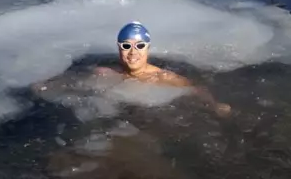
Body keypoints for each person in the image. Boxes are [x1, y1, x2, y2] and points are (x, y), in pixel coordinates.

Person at [92, 21, 232, 117]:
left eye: (140, 46)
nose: (133, 52)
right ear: (119, 48)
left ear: (148, 48)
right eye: (126, 46)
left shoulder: (163, 77)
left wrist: (215, 105)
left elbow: (196, 89)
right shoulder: (105, 72)